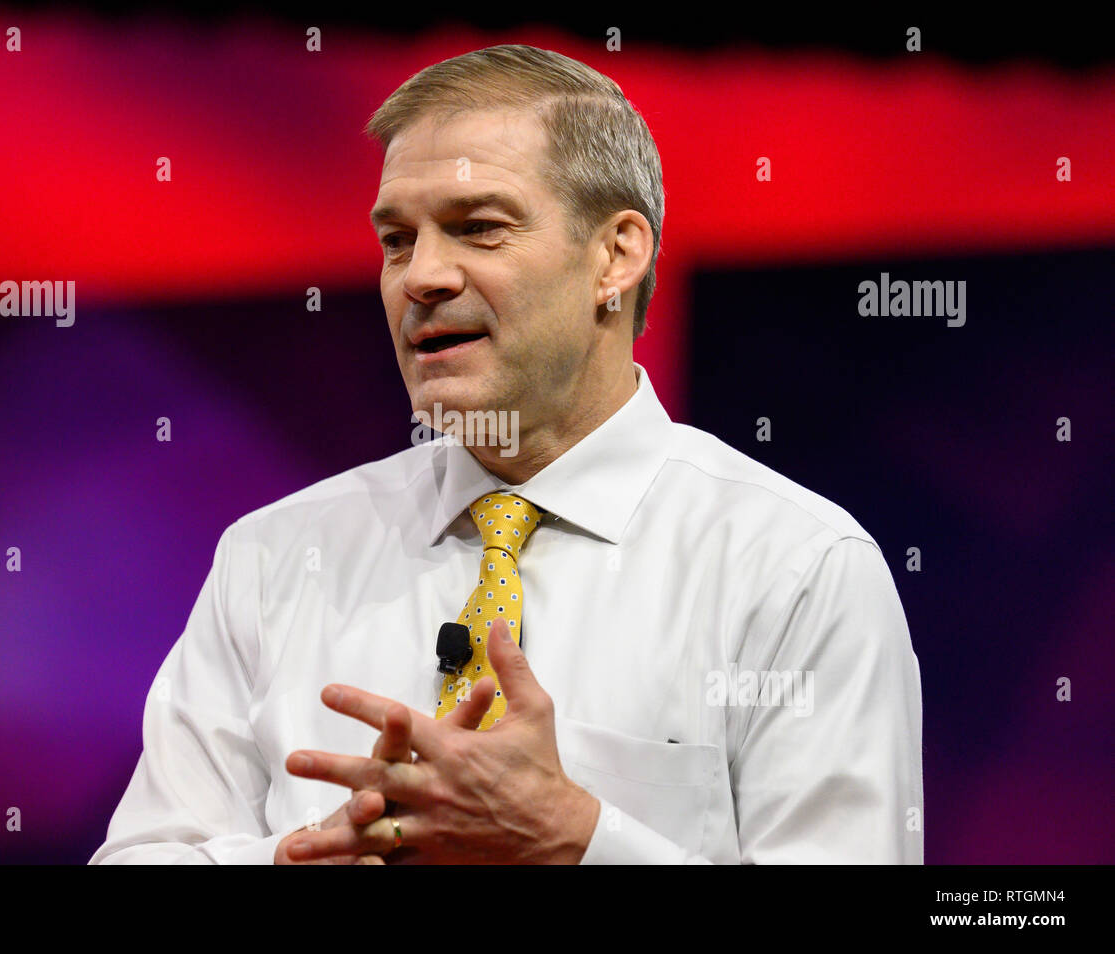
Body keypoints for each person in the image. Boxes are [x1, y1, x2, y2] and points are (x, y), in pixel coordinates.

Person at [89, 44, 923, 865]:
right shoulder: (272, 559)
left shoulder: (796, 569)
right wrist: (291, 863)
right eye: (396, 240)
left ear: (616, 256)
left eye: (477, 228)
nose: (421, 277)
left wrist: (580, 842)